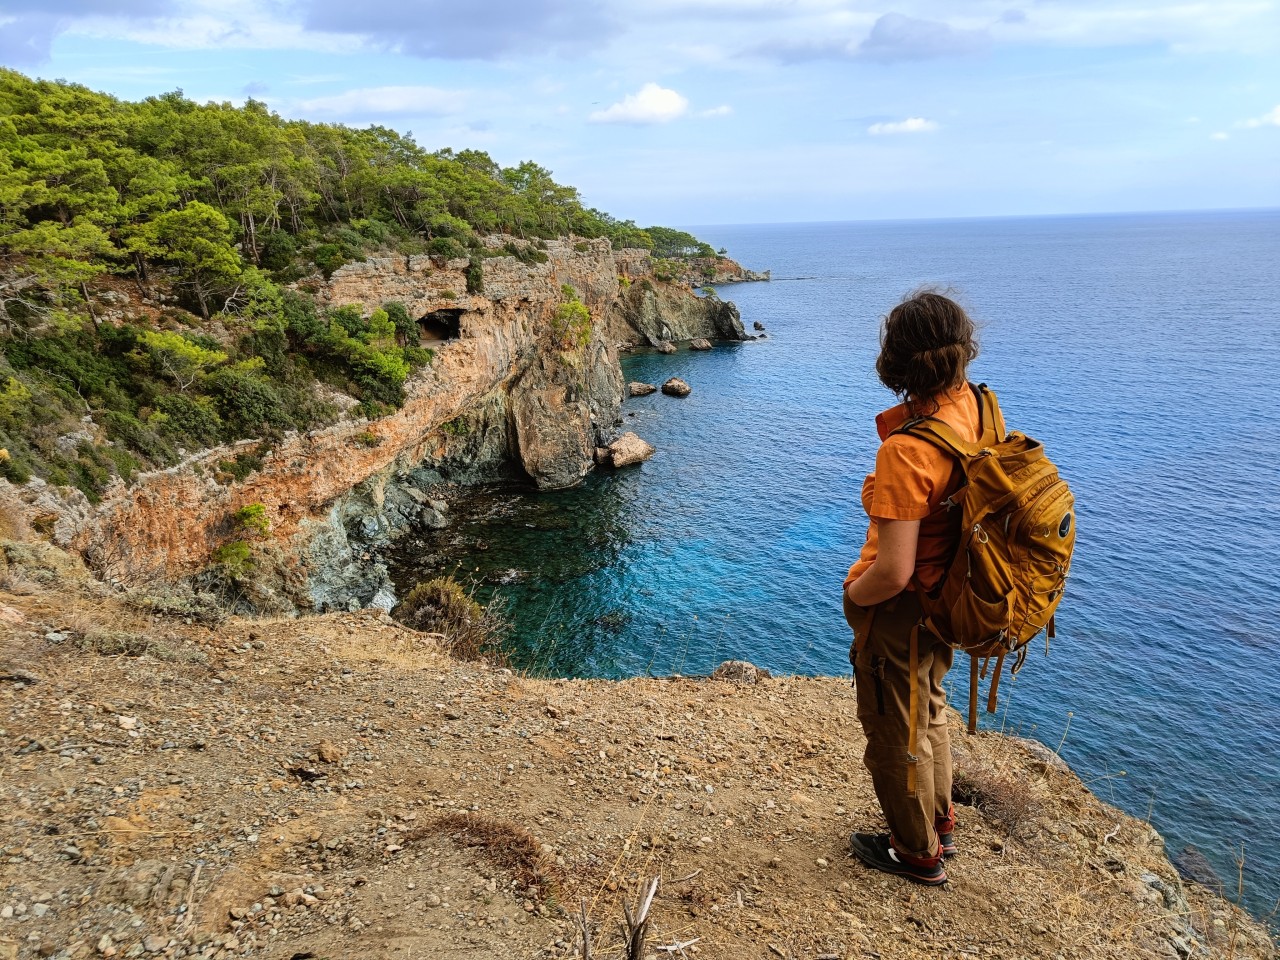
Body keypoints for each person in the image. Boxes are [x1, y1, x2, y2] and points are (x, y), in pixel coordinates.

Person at [842, 289, 980, 886]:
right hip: (949, 592)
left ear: (896, 362)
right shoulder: (974, 407)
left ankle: (914, 850)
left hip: (903, 606)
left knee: (895, 730)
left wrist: (854, 597)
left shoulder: (907, 449)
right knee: (930, 706)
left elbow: (893, 571)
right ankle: (940, 818)